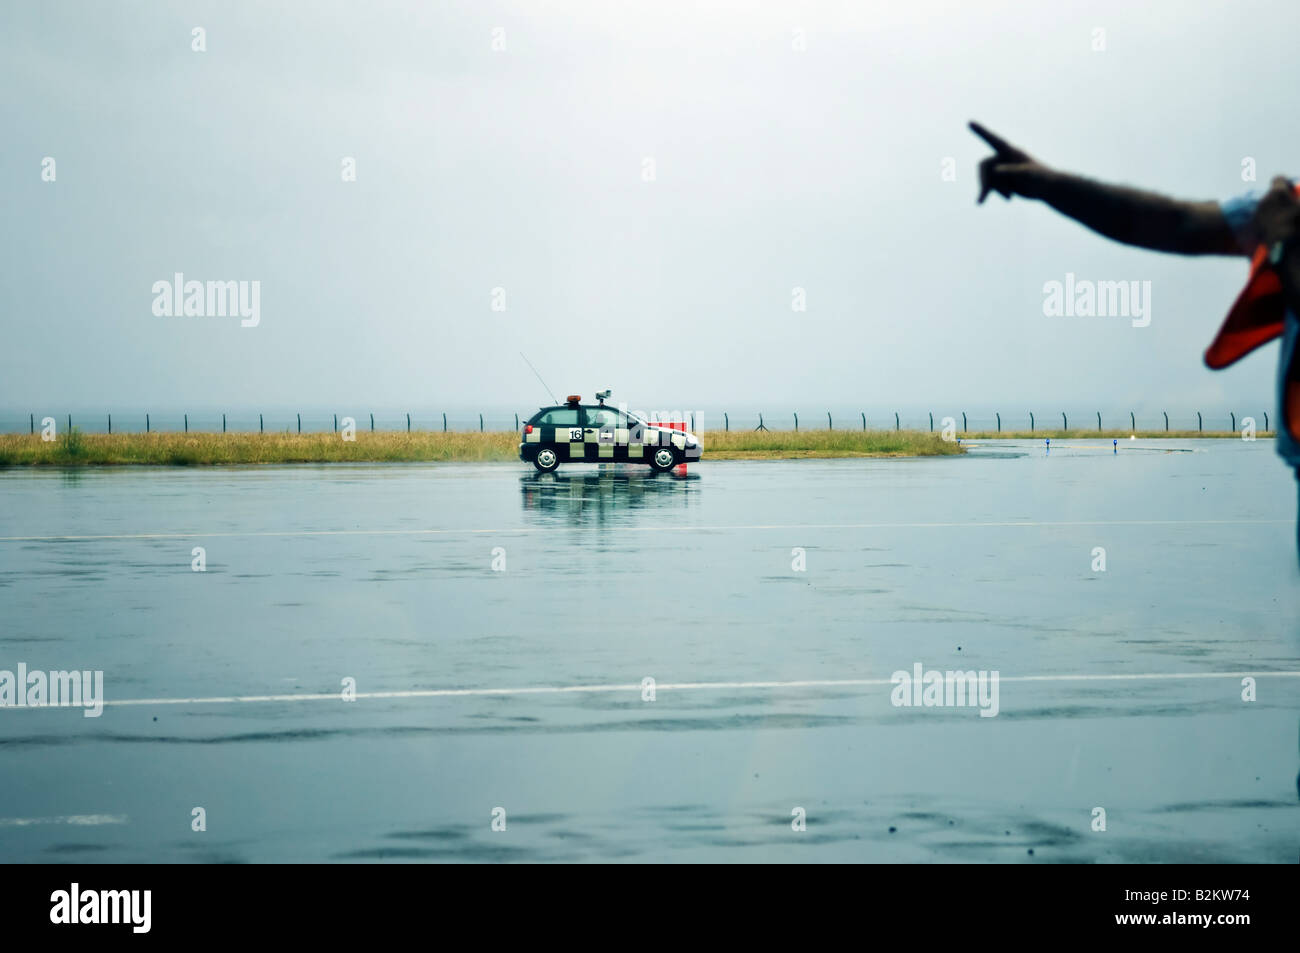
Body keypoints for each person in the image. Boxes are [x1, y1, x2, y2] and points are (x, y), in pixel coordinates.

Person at [970, 121, 1300, 561]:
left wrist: (1282, 248)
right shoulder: (1290, 208)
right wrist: (1047, 183)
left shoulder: (1287, 224)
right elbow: (1172, 223)